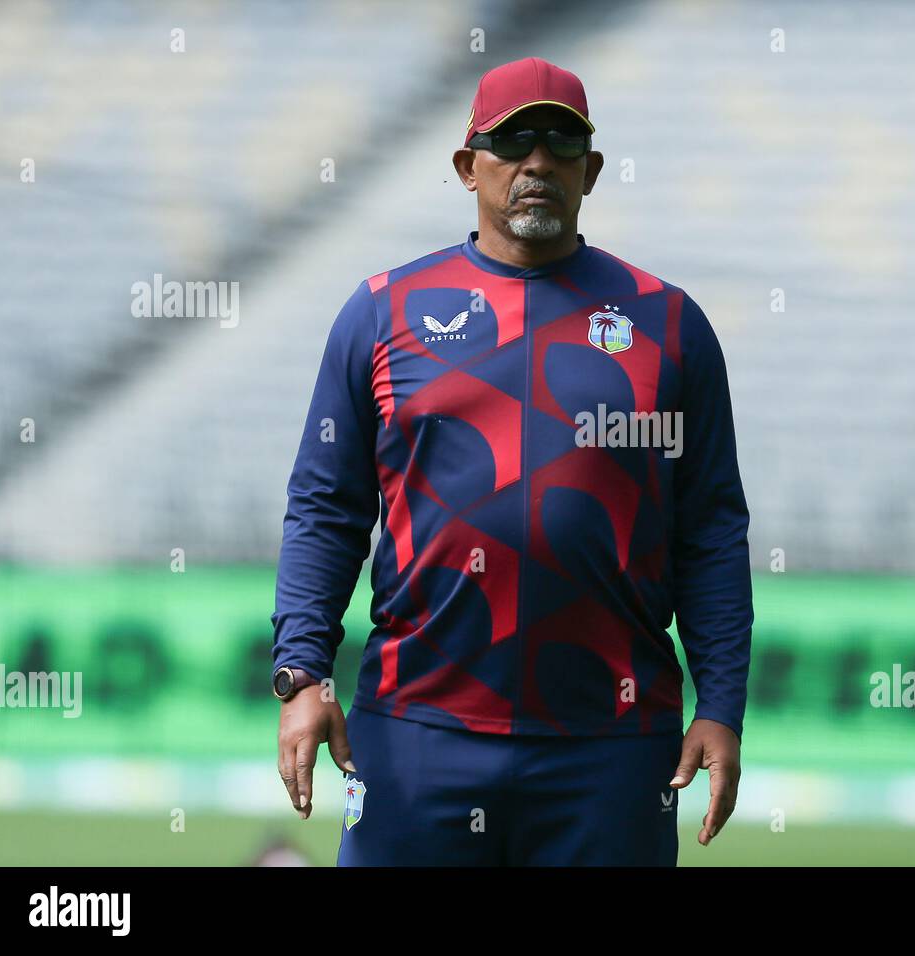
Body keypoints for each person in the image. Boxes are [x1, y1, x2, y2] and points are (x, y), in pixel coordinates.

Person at [270, 57, 753, 866]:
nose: (538, 162)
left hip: (612, 744)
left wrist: (723, 705)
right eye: (512, 140)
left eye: (562, 143)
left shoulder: (670, 326)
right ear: (469, 167)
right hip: (418, 732)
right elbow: (326, 509)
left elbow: (710, 532)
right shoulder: (381, 312)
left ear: (591, 171)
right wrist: (300, 672)